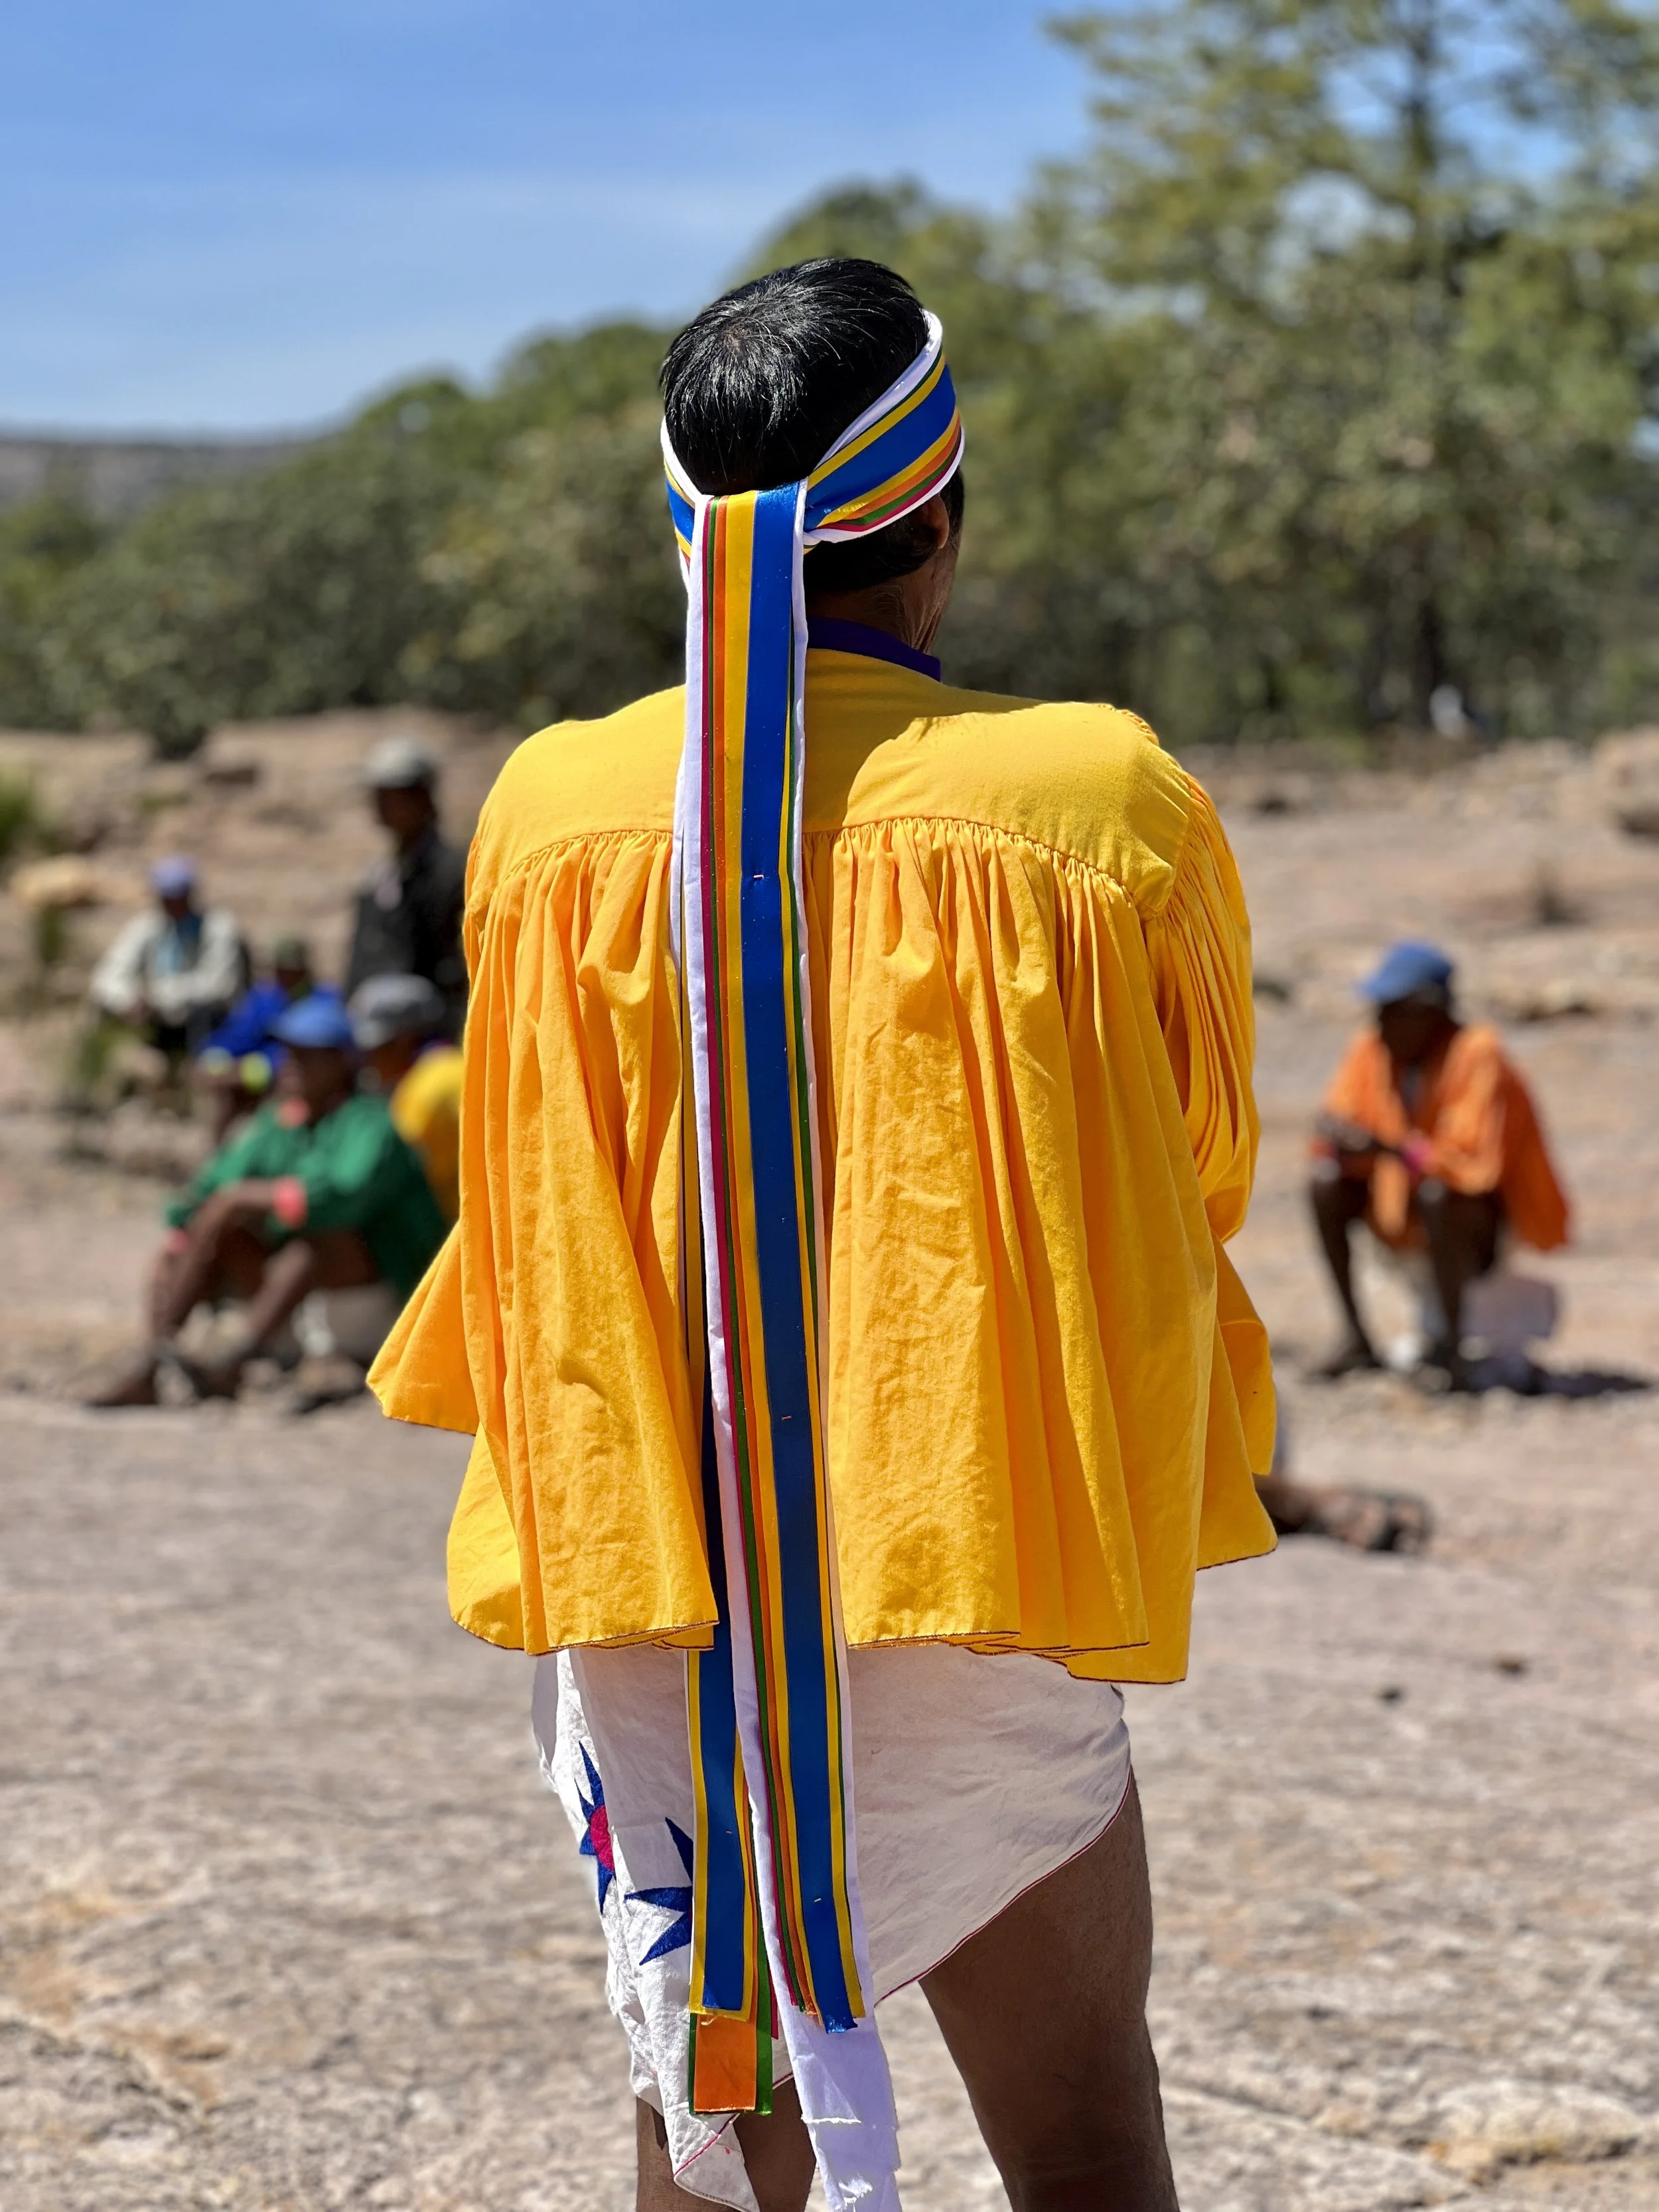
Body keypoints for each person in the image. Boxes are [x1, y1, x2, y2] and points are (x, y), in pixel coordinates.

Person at [370, 259, 1275, 2212]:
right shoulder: (1098, 803)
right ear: (935, 525)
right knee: (1081, 2134)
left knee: (706, 2129)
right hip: (972, 1570)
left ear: (686, 534)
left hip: (662, 1605)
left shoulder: (545, 812)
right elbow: (1193, 1164)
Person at [89, 994, 447, 1409]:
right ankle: (151, 1363)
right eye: (288, 1053)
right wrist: (189, 1227)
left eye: (306, 1056)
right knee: (190, 1241)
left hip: (383, 1280)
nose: (289, 1065)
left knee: (309, 1244)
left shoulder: (370, 1123)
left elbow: (341, 1197)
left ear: (339, 1064)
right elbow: (215, 1183)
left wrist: (251, 1197)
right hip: (297, 1275)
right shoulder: (281, 1121)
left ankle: (235, 1360)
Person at [1311, 939, 1569, 1385]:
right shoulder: (1374, 1050)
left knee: (1438, 1194)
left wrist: (1387, 1149)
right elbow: (1341, 1117)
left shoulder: (1476, 1054)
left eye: (1393, 1010)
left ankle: (1453, 1350)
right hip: (1400, 1209)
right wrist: (1343, 1141)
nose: (1380, 1022)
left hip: (1478, 1225)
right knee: (1325, 1180)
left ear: (1429, 1011)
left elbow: (1472, 1168)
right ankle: (1355, 1337)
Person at [342, 737, 468, 1038]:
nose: (382, 806)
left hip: (431, 1025)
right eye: (378, 796)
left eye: (393, 796)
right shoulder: (381, 875)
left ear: (422, 798)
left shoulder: (451, 871)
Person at [87, 855, 245, 1062]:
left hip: (201, 1021)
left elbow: (218, 986)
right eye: (167, 896)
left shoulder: (217, 926)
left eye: (179, 896)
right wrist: (128, 1000)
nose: (173, 903)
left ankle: (199, 1068)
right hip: (155, 1019)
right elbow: (109, 974)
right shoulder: (147, 927)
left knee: (205, 1012)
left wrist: (159, 997)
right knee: (104, 1009)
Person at [348, 972, 464, 1222]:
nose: (366, 1061)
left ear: (402, 1041)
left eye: (373, 1049)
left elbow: (384, 1178)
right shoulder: (453, 1064)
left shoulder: (424, 1092)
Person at [192, 933, 323, 1143]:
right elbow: (238, 1035)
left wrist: (257, 1068)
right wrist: (213, 1055)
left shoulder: (319, 1003)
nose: (285, 975)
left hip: (291, 1076)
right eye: (281, 969)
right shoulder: (264, 998)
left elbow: (312, 1052)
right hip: (251, 1071)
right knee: (227, 1096)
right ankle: (217, 1160)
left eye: (292, 970)